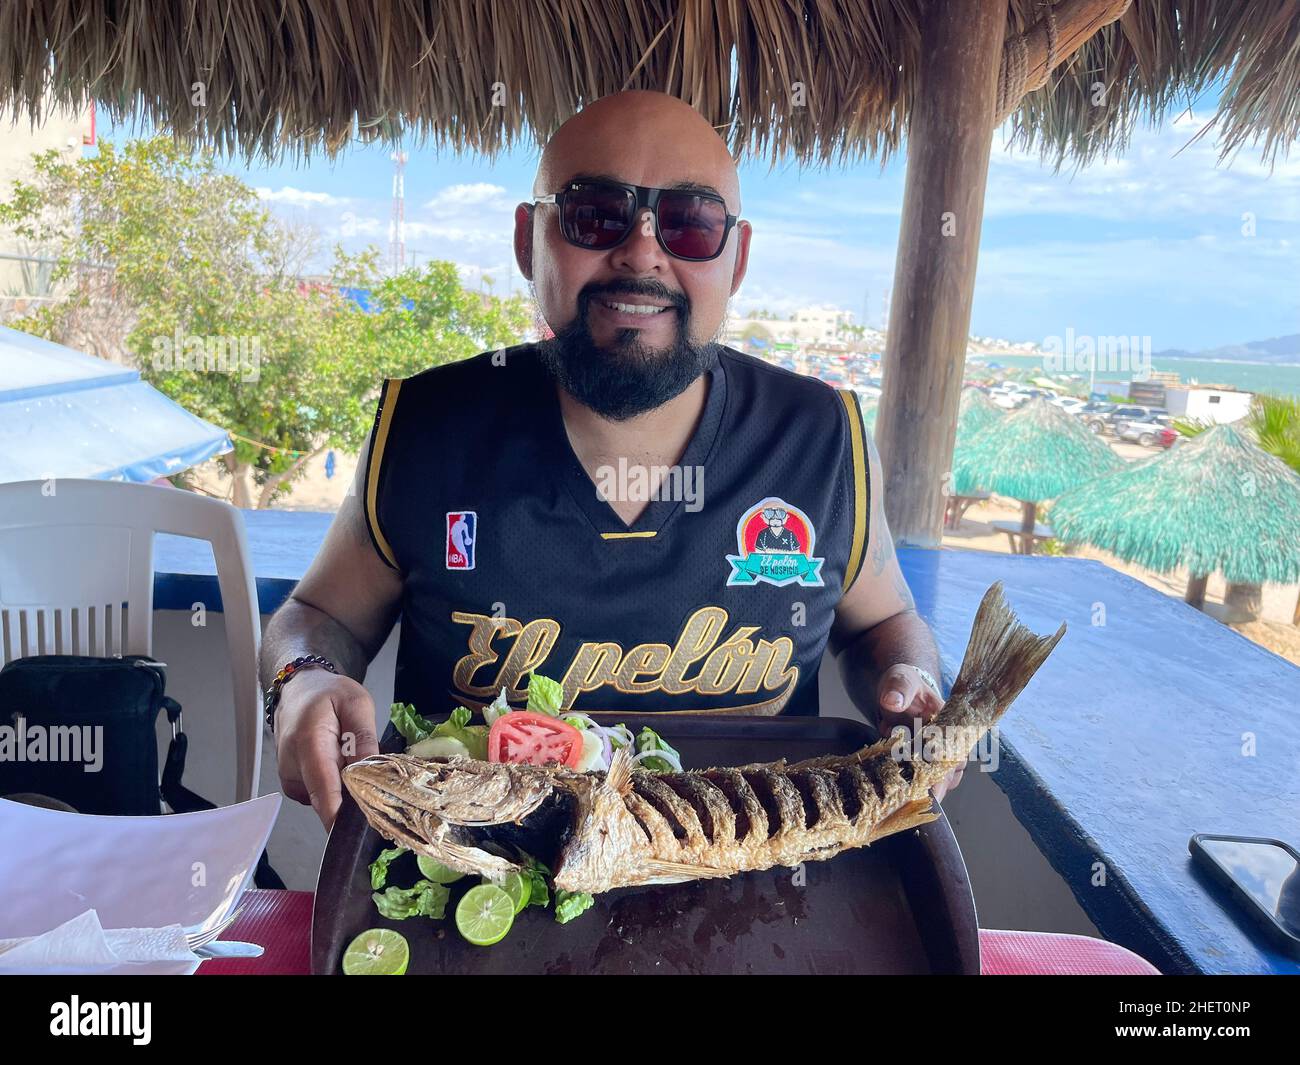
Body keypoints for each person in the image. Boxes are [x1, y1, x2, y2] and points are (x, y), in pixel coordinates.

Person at [261, 90, 960, 829]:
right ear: (529, 237)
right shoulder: (427, 427)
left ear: (738, 256)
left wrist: (907, 678)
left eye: (691, 223)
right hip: (474, 877)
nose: (641, 252)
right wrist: (301, 677)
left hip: (750, 883)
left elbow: (884, 626)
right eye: (596, 213)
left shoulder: (821, 439)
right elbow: (318, 614)